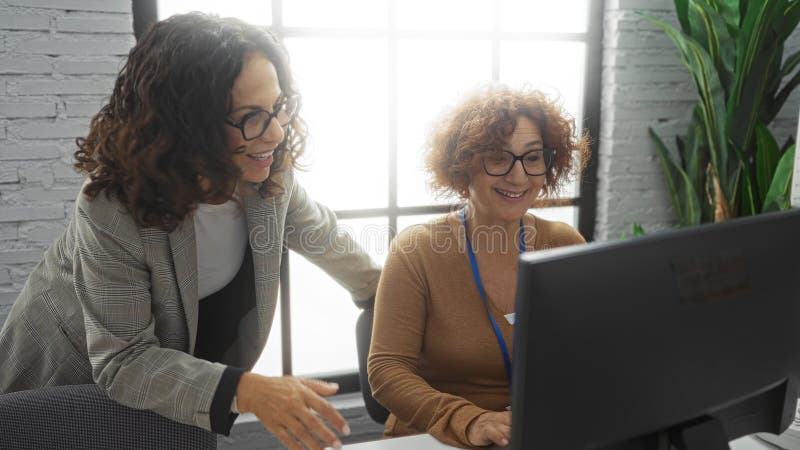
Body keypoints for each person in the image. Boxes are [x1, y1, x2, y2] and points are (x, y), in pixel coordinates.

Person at [0, 13, 380, 450]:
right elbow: (123, 360)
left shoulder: (266, 179)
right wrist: (249, 390)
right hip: (65, 382)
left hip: (161, 385)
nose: (275, 132)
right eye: (251, 117)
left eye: (278, 107)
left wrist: (406, 297)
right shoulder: (112, 207)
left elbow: (327, 241)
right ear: (187, 126)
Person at [367, 85, 590, 448]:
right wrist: (468, 421)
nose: (518, 177)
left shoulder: (563, 244)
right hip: (438, 438)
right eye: (498, 158)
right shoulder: (417, 250)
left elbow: (591, 353)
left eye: (532, 158)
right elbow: (386, 371)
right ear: (462, 165)